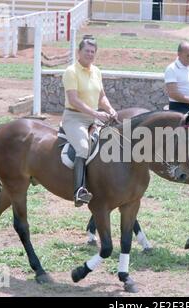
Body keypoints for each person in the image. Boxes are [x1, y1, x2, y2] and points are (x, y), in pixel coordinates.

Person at [62, 37, 118, 207]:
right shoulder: (71, 72)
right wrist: (95, 113)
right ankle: (79, 191)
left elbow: (102, 97)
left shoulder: (97, 71)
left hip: (93, 119)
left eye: (93, 52)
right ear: (79, 52)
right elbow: (74, 100)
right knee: (83, 147)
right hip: (74, 118)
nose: (90, 54)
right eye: (87, 51)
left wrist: (110, 109)